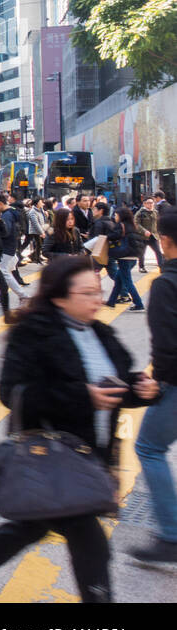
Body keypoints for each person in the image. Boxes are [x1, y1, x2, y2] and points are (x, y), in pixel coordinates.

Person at [0, 255, 159, 603]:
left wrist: (141, 390)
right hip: (51, 458)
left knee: (30, 526)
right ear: (60, 296)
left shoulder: (101, 333)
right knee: (91, 547)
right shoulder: (33, 333)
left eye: (98, 289)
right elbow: (11, 392)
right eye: (88, 292)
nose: (99, 298)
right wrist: (83, 396)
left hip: (93, 458)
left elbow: (117, 387)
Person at [129, 209, 177, 566]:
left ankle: (171, 535)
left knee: (148, 447)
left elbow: (166, 345)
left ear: (164, 241)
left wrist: (158, 381)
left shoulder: (166, 284)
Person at [104, 206, 145, 310]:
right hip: (133, 257)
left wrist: (107, 236)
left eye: (116, 215)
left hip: (124, 257)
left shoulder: (120, 225)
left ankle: (139, 304)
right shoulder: (132, 225)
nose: (115, 217)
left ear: (121, 216)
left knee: (127, 281)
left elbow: (114, 236)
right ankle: (111, 301)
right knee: (118, 280)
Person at [136, 196, 163, 272]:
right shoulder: (140, 213)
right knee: (142, 253)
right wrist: (144, 231)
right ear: (144, 204)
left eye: (152, 203)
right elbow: (136, 224)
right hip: (143, 237)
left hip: (153, 236)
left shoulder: (155, 212)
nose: (151, 204)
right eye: (149, 203)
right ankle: (141, 267)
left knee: (158, 251)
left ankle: (161, 266)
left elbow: (158, 223)